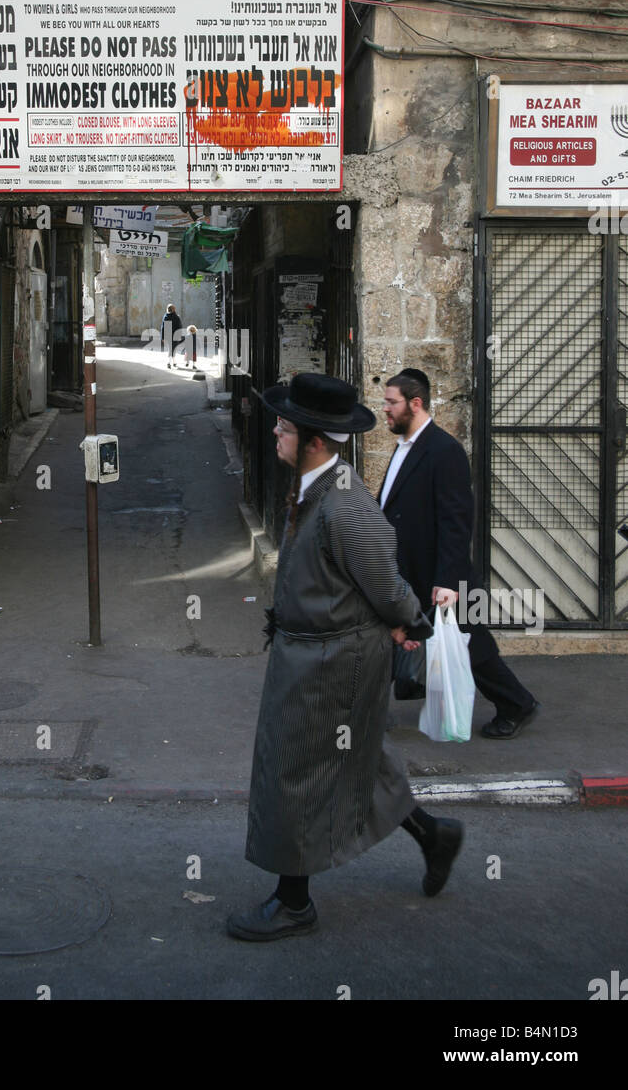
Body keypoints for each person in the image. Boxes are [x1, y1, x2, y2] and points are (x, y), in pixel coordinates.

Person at [227, 373, 464, 942]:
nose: (276, 432)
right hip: (310, 652)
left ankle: (293, 901)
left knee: (298, 769)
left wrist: (409, 621)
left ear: (311, 437)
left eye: (283, 425)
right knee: (358, 761)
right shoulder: (313, 486)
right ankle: (433, 834)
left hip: (332, 663)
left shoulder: (343, 505)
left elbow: (384, 581)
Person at [380, 368, 540, 739]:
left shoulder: (444, 450)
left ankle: (517, 703)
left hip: (439, 575)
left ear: (415, 403)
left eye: (391, 402)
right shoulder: (406, 446)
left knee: (473, 647)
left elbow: (457, 521)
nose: (384, 409)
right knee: (397, 638)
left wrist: (448, 581)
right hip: (411, 572)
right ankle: (370, 707)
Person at [159, 303, 183, 368]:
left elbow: (163, 328)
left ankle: (171, 362)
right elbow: (179, 328)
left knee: (170, 349)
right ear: (174, 309)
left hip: (168, 336)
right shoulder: (177, 317)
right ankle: (172, 362)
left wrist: (163, 337)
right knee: (174, 349)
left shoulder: (165, 317)